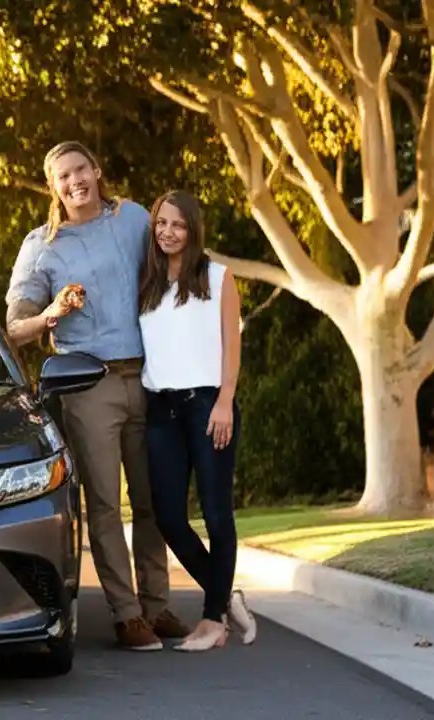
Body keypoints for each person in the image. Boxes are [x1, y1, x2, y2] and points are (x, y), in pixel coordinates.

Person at [6, 141, 188, 651]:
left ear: (97, 170)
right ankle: (127, 615)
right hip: (89, 384)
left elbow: (173, 266)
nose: (74, 181)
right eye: (62, 176)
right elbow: (15, 328)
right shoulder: (41, 246)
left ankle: (158, 606)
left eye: (80, 169)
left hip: (150, 378)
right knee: (106, 502)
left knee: (153, 501)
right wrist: (50, 316)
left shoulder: (132, 219)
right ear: (53, 187)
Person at [137, 189, 257, 651]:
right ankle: (226, 595)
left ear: (193, 230)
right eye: (161, 223)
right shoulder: (146, 282)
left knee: (215, 512)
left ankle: (212, 619)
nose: (168, 232)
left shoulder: (218, 277)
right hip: (161, 409)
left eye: (178, 225)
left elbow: (232, 345)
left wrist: (226, 400)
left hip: (208, 405)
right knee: (168, 516)